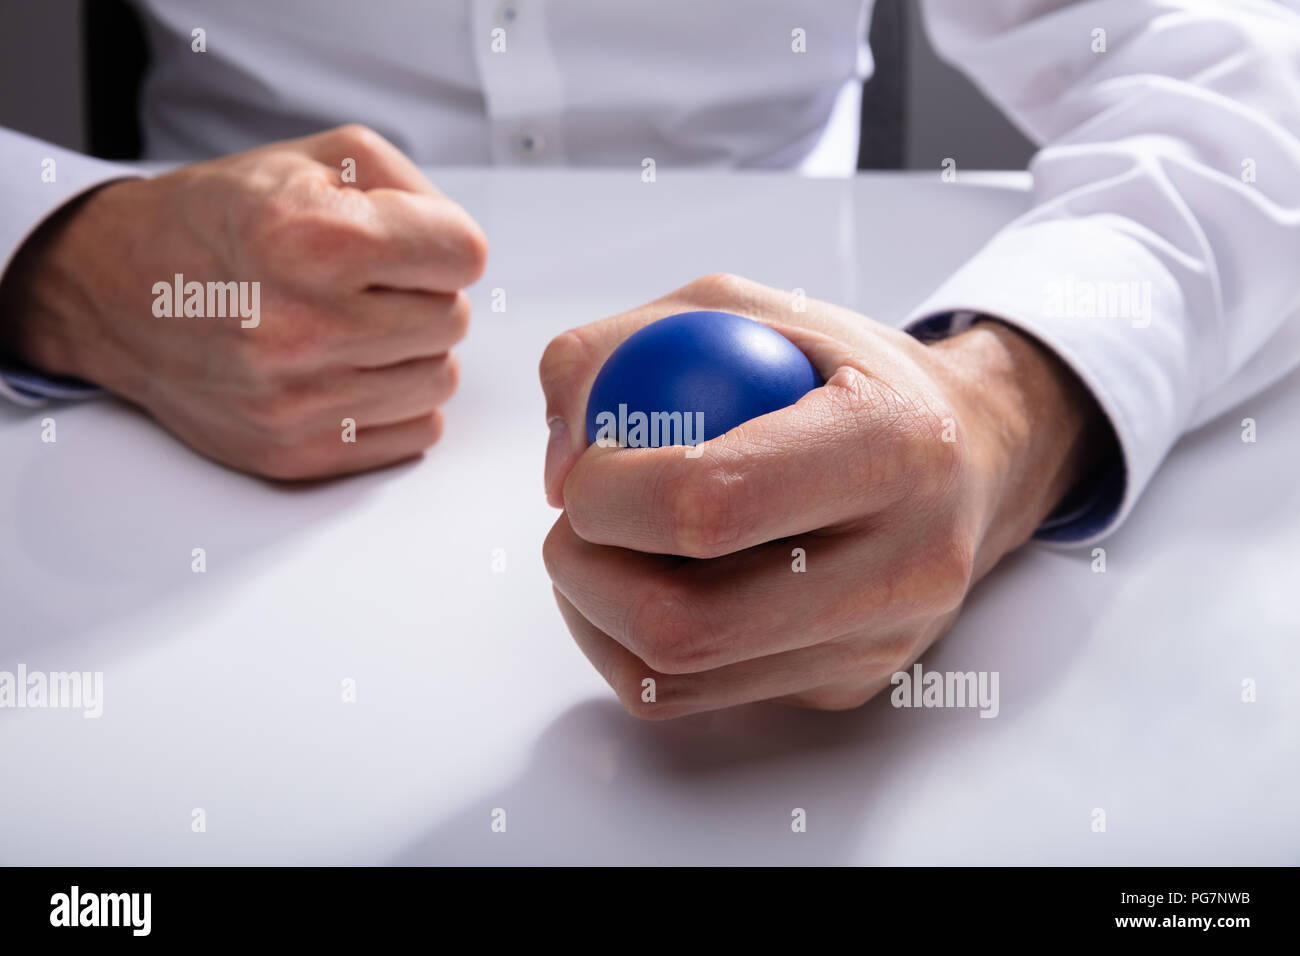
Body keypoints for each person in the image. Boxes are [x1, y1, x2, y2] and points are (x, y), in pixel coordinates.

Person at [1, 0, 1297, 716]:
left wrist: (1006, 408)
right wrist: (70, 261)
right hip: (159, 451)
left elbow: (1255, 72)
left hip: (836, 386)